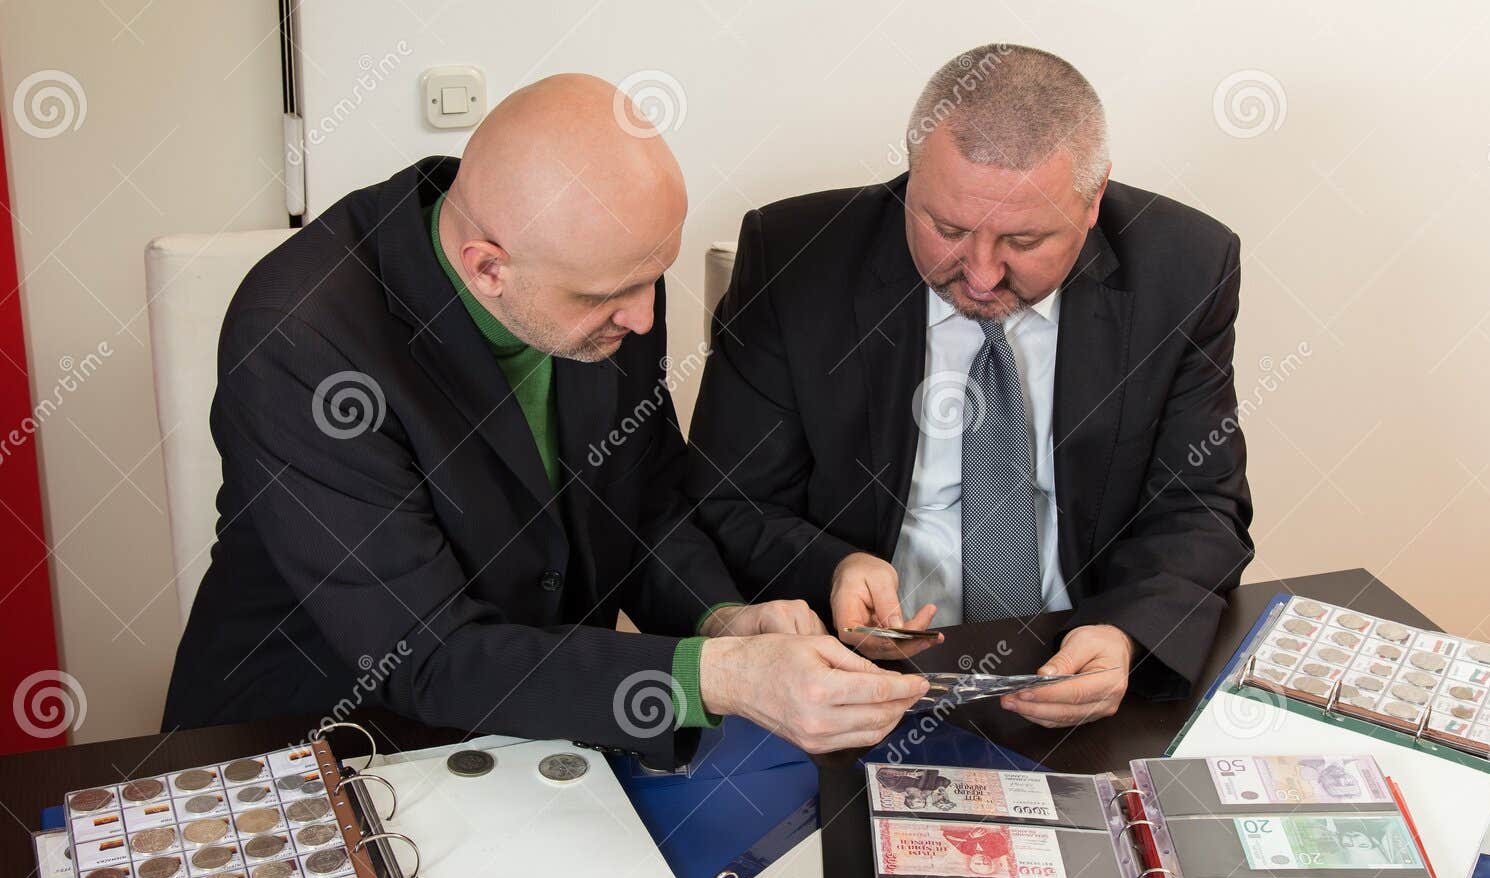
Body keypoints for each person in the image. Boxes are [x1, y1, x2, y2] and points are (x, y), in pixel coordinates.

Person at [163, 74, 926, 762]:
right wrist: (717, 677)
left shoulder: (604, 275)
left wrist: (721, 621)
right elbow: (426, 655)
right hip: (311, 743)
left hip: (536, 730)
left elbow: (646, 502)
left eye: (653, 276)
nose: (644, 315)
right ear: (486, 266)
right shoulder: (301, 339)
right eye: (608, 296)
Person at [690, 45, 1253, 726]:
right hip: (855, 681)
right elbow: (731, 497)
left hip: (1078, 665)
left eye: (1024, 240)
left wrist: (1126, 633)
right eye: (947, 229)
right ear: (911, 175)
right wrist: (833, 567)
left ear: (1094, 198)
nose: (981, 276)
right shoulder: (795, 257)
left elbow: (1200, 505)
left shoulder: (1185, 268)